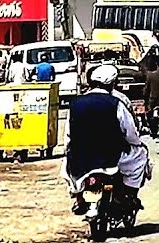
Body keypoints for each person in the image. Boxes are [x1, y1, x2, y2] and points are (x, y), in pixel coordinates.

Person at [63, 65, 152, 215]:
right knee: (141, 156)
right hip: (111, 158)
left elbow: (68, 134)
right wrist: (137, 144)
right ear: (112, 84)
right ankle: (129, 194)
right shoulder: (116, 103)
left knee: (67, 164)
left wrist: (69, 150)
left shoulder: (75, 104)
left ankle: (78, 196)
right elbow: (130, 132)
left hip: (81, 158)